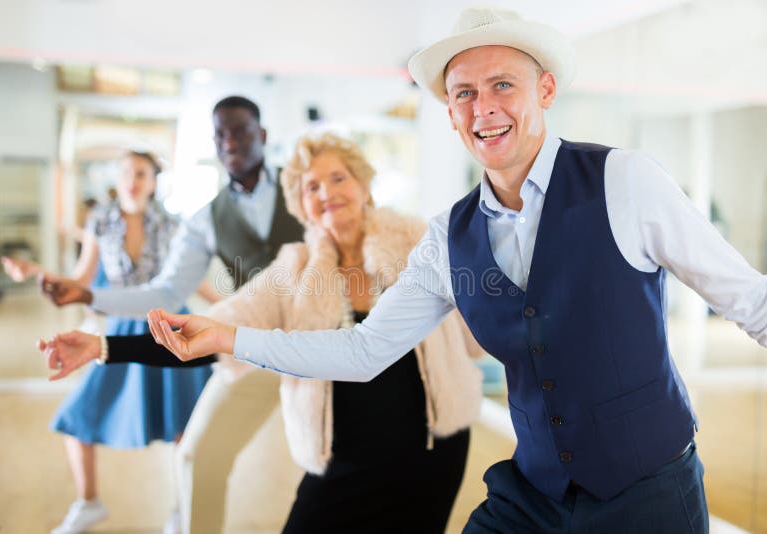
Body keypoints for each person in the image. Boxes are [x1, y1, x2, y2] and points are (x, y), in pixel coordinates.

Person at [85, 7, 767, 533]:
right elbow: (364, 349)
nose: (483, 107)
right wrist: (228, 337)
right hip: (534, 495)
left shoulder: (625, 181)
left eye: (503, 85)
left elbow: (750, 302)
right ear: (450, 113)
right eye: (463, 93)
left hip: (648, 494)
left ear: (545, 89)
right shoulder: (448, 236)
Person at [39, 133, 485, 533]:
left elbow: (478, 328)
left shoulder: (419, 242)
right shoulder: (293, 269)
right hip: (341, 456)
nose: (326, 193)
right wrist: (103, 346)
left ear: (363, 185)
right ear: (300, 205)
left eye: (338, 178)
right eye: (311, 187)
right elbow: (212, 331)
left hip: (431, 449)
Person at [38, 96, 305, 534]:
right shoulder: (206, 220)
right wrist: (88, 294)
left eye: (240, 131)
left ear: (262, 135)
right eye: (220, 134)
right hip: (254, 349)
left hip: (324, 345)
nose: (230, 142)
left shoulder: (305, 189)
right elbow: (165, 292)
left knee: (330, 463)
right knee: (196, 455)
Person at [5, 151, 214, 534]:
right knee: (77, 419)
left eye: (141, 173)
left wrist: (233, 309)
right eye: (126, 172)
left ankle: (182, 511)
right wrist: (35, 271)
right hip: (120, 329)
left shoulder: (173, 224)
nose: (132, 180)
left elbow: (189, 280)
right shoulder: (100, 221)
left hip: (169, 328)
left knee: (185, 427)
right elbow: (80, 280)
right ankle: (88, 503)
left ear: (154, 181)